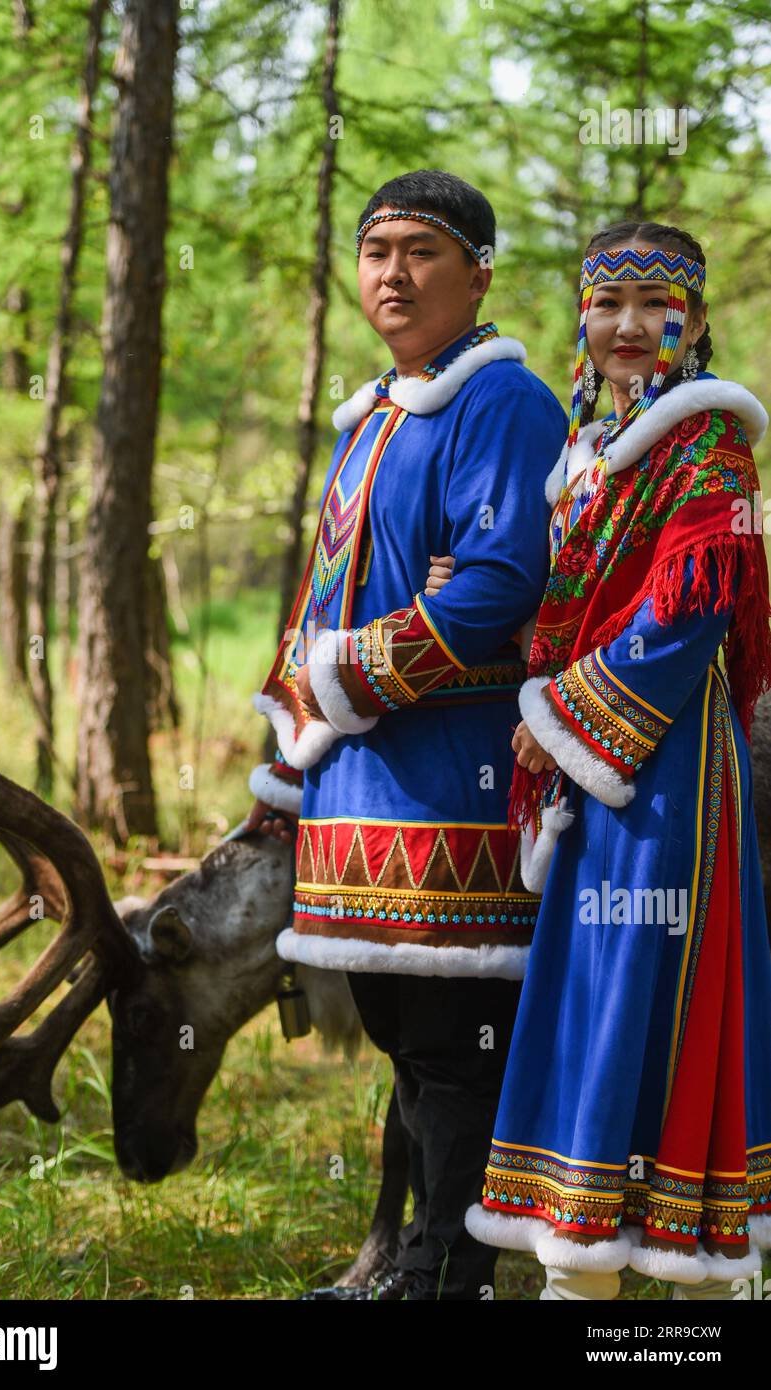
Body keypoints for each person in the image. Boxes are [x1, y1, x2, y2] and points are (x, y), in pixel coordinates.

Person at [245, 169, 567, 1299]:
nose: (392, 271)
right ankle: (417, 1258)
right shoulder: (376, 410)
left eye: (421, 251)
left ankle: (455, 1271)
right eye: (377, 250)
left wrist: (346, 671)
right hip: (355, 797)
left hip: (453, 799)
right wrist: (286, 748)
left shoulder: (505, 403)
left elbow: (491, 584)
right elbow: (324, 601)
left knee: (455, 1041)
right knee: (405, 1042)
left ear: (478, 272)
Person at [443, 221, 771, 1300]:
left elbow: (691, 617)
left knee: (654, 977)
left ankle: (686, 1273)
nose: (628, 326)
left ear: (695, 321)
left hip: (664, 765)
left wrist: (559, 718)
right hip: (598, 770)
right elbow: (566, 595)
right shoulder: (585, 448)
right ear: (580, 318)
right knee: (590, 985)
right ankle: (581, 1259)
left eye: (655, 305)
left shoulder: (711, 442)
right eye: (607, 304)